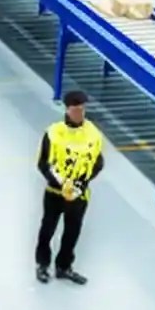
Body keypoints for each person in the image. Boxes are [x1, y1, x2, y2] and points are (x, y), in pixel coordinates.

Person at [34, 90, 104, 285]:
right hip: (55, 192)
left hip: (78, 194)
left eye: (82, 109)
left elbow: (97, 163)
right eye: (76, 110)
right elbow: (43, 162)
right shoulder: (54, 133)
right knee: (47, 228)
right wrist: (61, 183)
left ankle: (64, 267)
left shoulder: (92, 134)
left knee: (72, 231)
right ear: (67, 110)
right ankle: (42, 265)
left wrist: (80, 185)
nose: (80, 113)